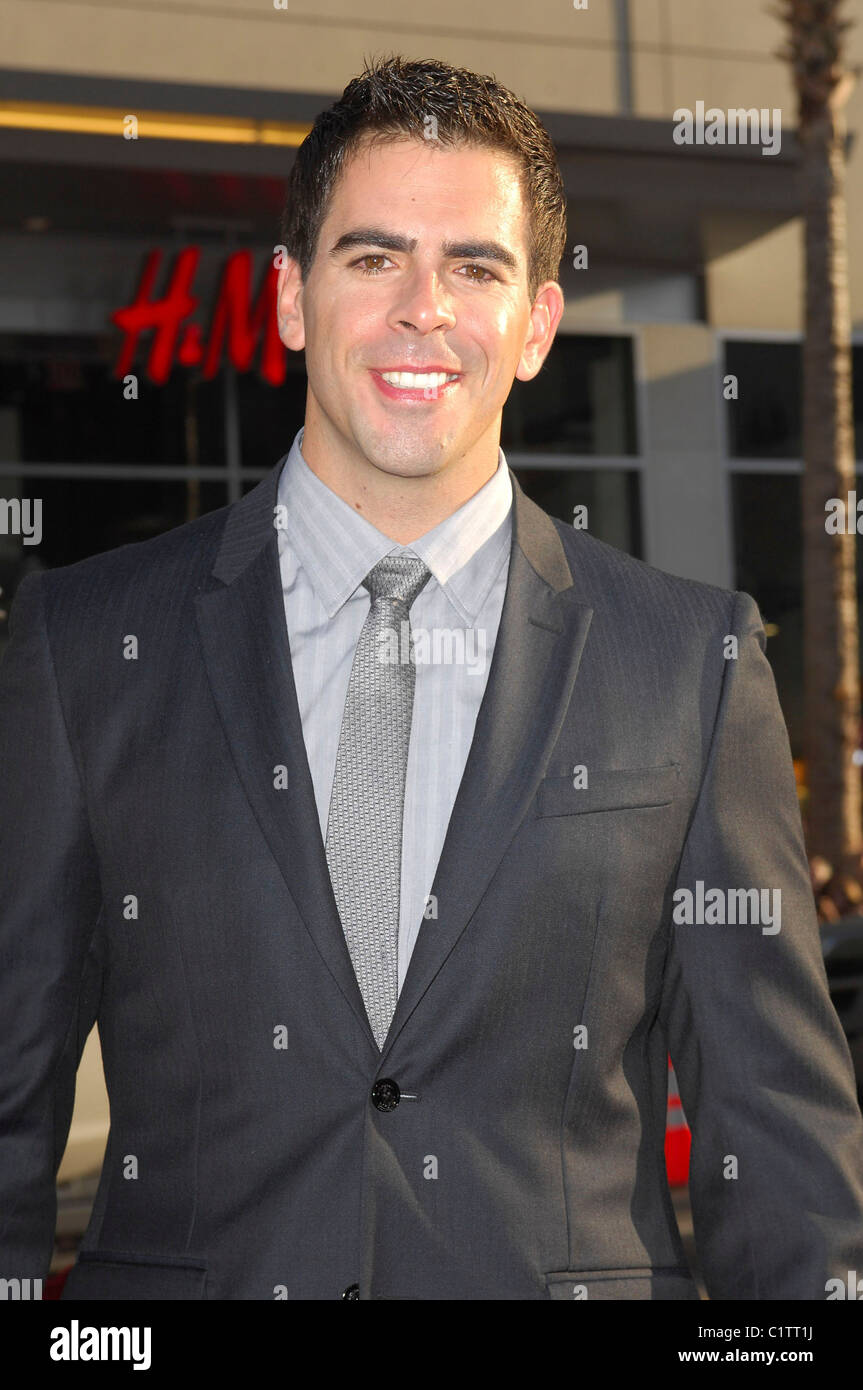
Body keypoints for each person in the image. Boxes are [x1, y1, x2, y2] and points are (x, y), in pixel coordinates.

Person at [1, 55, 862, 1302]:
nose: (423, 309)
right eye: (373, 257)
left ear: (535, 327)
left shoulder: (688, 663)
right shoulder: (85, 646)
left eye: (474, 266)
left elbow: (776, 1146)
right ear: (290, 298)